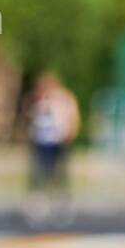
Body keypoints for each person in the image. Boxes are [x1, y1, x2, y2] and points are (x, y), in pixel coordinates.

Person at [23, 72, 80, 226]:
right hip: (41, 143)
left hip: (58, 143)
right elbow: (30, 116)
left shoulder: (63, 99)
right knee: (38, 174)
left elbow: (72, 117)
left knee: (59, 176)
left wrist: (69, 134)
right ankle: (38, 206)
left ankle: (62, 206)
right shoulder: (38, 100)